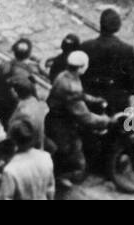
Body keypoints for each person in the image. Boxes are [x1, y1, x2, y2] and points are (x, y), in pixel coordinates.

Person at [45, 50, 110, 190]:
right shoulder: (72, 86)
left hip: (55, 117)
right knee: (74, 158)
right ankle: (59, 180)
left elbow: (79, 95)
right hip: (63, 125)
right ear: (80, 68)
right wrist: (106, 121)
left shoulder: (64, 75)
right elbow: (85, 117)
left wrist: (94, 99)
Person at [0, 116, 55, 200]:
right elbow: (50, 188)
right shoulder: (46, 157)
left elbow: (5, 197)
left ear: (13, 140)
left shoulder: (10, 170)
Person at [0, 38, 40, 131]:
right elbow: (33, 100)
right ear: (29, 54)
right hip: (16, 112)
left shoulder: (3, 65)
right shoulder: (25, 76)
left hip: (1, 107)